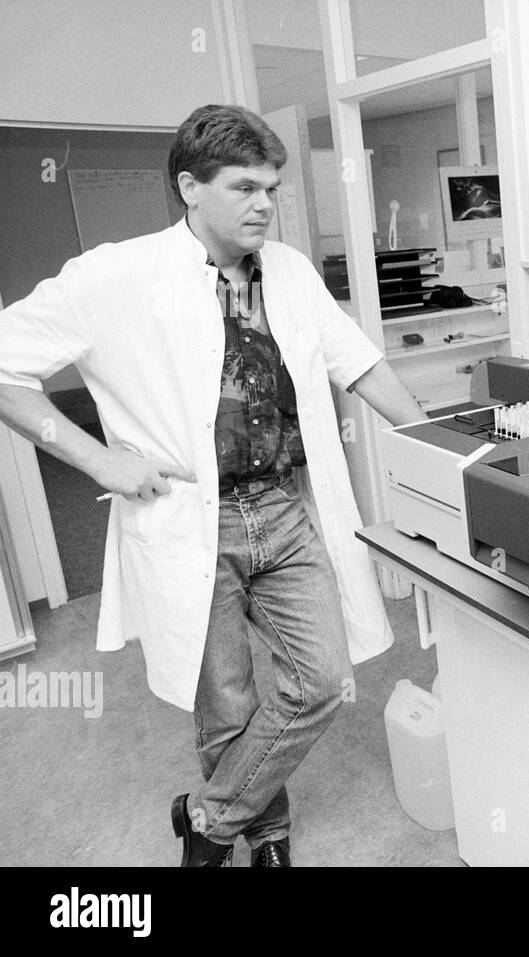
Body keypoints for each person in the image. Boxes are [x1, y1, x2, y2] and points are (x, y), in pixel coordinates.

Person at [0, 104, 426, 867]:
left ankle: (209, 818)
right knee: (226, 701)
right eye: (244, 187)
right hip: (189, 517)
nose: (265, 203)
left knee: (322, 680)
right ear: (189, 187)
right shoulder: (117, 274)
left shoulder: (290, 272)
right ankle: (263, 835)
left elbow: (359, 363)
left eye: (272, 187)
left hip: (286, 508)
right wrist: (99, 461)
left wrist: (432, 442)